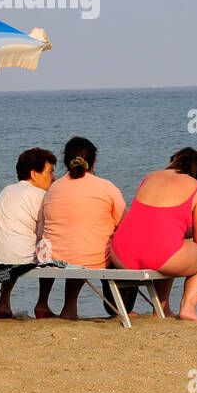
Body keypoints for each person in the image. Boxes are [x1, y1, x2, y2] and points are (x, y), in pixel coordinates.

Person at [109, 147, 197, 321]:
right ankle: (188, 308)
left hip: (121, 254)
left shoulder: (151, 176)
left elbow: (155, 223)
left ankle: (162, 309)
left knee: (173, 243)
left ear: (174, 159)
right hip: (160, 254)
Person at [37, 136, 126, 320]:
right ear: (93, 162)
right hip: (91, 257)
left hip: (50, 259)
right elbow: (125, 225)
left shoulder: (53, 189)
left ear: (65, 161)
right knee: (86, 247)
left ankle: (45, 303)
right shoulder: (106, 187)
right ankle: (73, 308)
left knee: (60, 244)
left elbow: (41, 229)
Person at [0, 147, 57, 319]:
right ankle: (42, 304)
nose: (54, 178)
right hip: (14, 258)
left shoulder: (7, 190)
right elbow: (44, 235)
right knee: (50, 245)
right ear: (34, 174)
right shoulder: (40, 195)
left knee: (14, 245)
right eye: (50, 172)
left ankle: (3, 303)